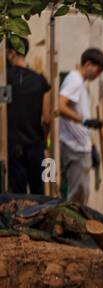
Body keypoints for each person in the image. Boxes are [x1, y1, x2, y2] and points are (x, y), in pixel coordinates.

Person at [57, 48, 103, 207]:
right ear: (88, 64)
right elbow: (60, 106)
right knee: (77, 200)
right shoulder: (75, 81)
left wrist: (91, 144)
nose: (98, 75)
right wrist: (84, 121)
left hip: (81, 147)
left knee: (81, 196)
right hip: (75, 149)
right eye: (98, 70)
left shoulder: (78, 82)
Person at [5, 38, 52, 195]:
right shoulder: (40, 81)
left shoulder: (4, 79)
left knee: (17, 196)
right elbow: (47, 119)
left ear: (11, 52)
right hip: (35, 144)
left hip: (12, 146)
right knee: (38, 193)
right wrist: (44, 139)